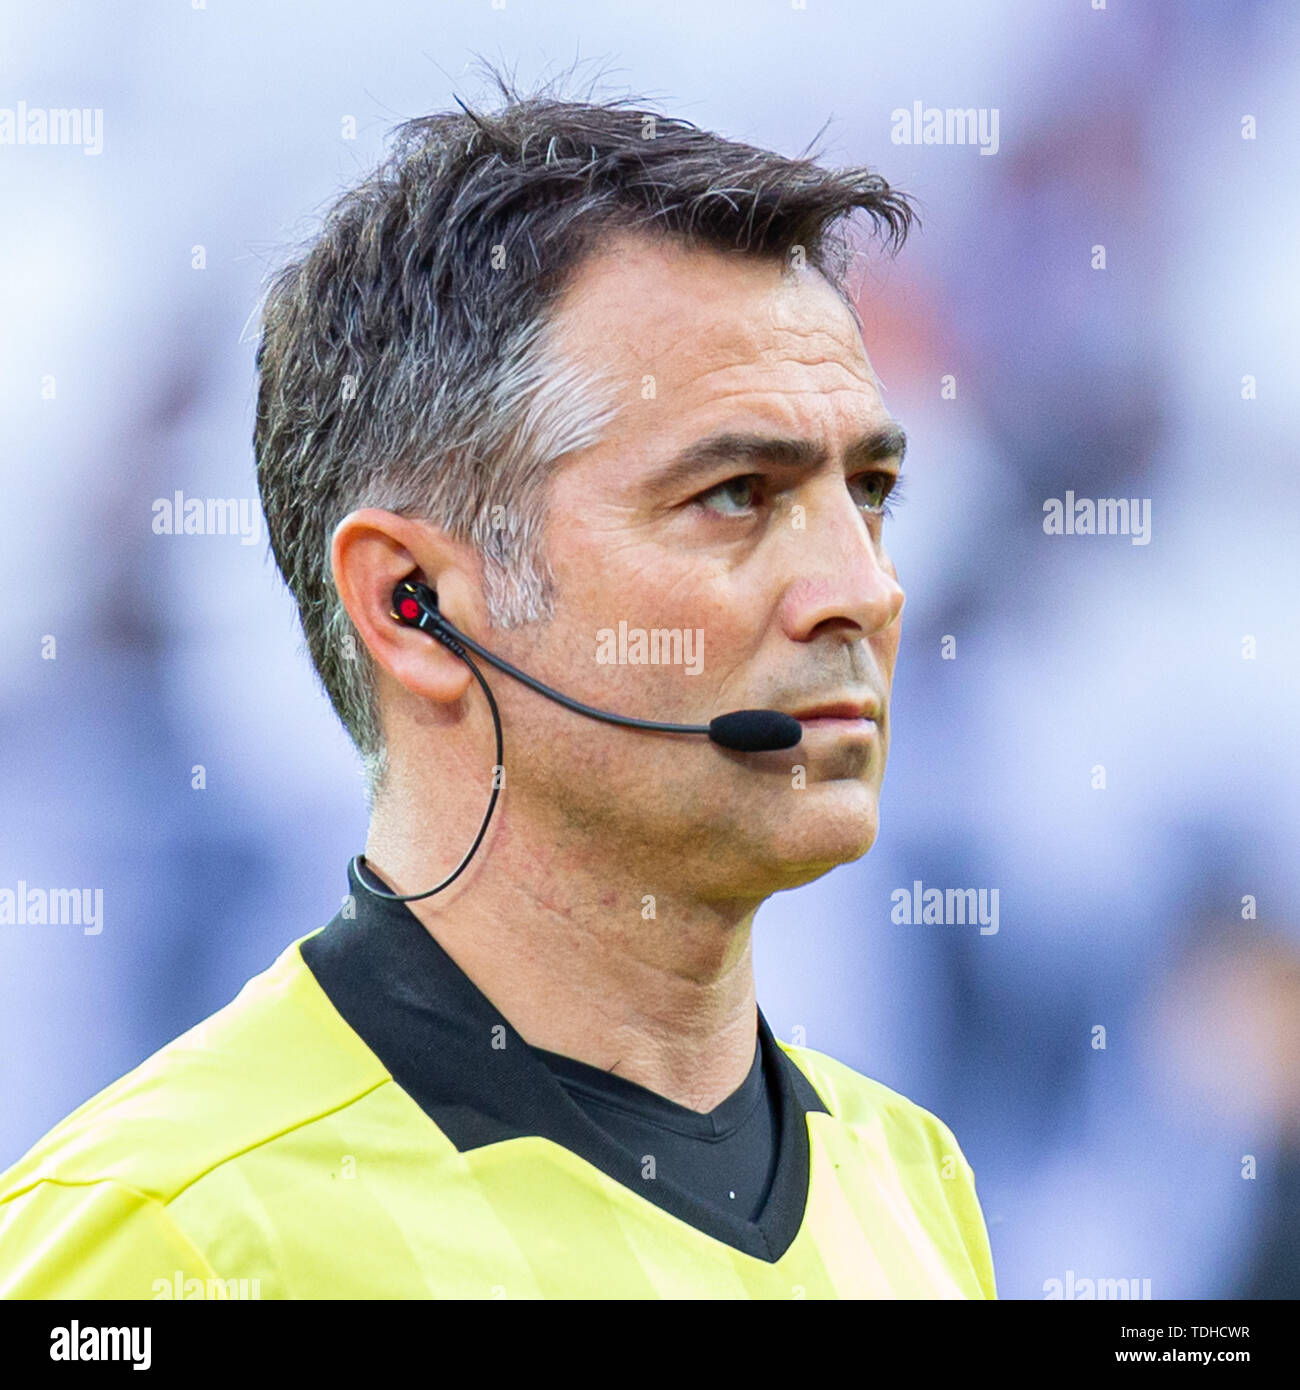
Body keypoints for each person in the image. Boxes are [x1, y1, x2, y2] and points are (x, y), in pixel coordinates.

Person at [0, 70, 996, 1299]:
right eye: (734, 494)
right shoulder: (169, 1234)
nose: (867, 588)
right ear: (411, 607)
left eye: (870, 493)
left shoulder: (913, 1180)